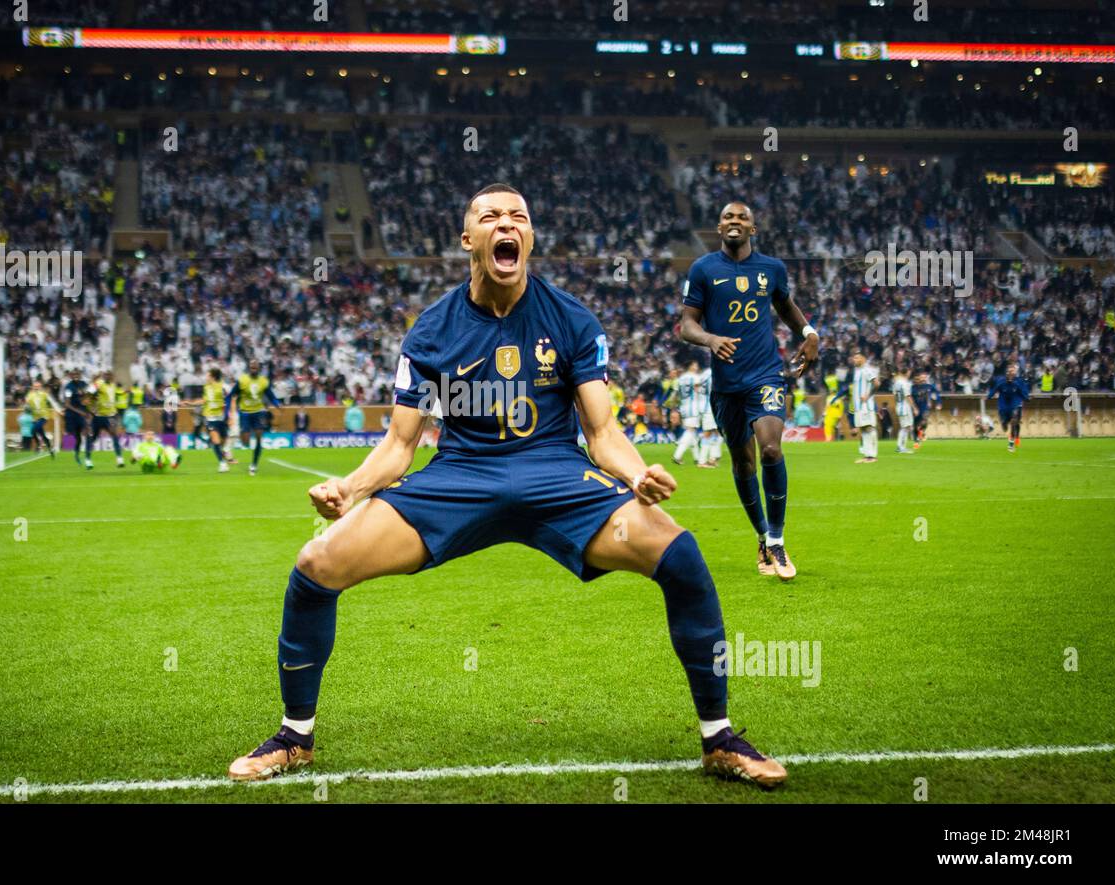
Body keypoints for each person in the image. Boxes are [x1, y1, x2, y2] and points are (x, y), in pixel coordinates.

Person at [228, 183, 787, 789]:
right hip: (458, 478)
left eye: (518, 217)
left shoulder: (571, 317)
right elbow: (399, 444)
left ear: (528, 238)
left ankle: (719, 739)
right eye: (491, 216)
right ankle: (295, 737)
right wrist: (352, 488)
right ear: (469, 239)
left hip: (558, 475)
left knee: (681, 555)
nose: (507, 225)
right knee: (316, 564)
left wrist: (635, 474)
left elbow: (602, 431)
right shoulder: (432, 330)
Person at [676, 201, 819, 582]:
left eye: (741, 217)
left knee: (771, 448)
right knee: (743, 464)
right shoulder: (703, 269)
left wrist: (808, 334)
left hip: (766, 375)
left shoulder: (772, 269)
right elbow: (686, 325)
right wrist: (710, 339)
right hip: (726, 385)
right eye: (727, 217)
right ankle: (760, 534)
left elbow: (786, 307)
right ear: (719, 228)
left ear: (752, 229)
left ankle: (776, 537)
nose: (734, 222)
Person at [230, 359, 278, 475]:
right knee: (245, 442)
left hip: (259, 412)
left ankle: (254, 465)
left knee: (258, 438)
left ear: (258, 368)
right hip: (245, 412)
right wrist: (229, 406)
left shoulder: (263, 381)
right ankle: (243, 439)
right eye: (252, 366)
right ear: (249, 368)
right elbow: (233, 393)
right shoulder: (242, 380)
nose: (253, 368)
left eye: (255, 366)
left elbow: (270, 395)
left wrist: (278, 405)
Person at [183, 368, 231, 472]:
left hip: (222, 418)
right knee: (215, 440)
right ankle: (222, 464)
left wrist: (230, 415)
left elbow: (230, 400)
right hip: (210, 417)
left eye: (208, 375)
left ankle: (224, 453)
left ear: (213, 377)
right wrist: (191, 403)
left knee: (223, 440)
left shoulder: (224, 387)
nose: (206, 377)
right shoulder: (207, 387)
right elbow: (204, 400)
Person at [988, 362, 1030, 452]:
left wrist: (1027, 398)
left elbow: (1021, 392)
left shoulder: (1017, 383)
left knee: (1014, 421)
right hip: (1003, 406)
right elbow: (994, 389)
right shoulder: (1001, 382)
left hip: (1013, 404)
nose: (1011, 374)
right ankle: (1004, 423)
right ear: (1007, 374)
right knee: (1005, 423)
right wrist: (988, 397)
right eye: (1009, 373)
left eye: (1013, 373)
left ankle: (1011, 444)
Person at [90, 371, 126, 468]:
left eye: (109, 375)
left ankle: (119, 459)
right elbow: (91, 392)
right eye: (106, 375)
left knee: (114, 434)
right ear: (104, 376)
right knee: (94, 437)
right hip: (99, 415)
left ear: (112, 377)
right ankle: (87, 458)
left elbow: (118, 394)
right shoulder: (99, 383)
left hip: (111, 415)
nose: (108, 376)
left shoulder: (113, 386)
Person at [61, 369, 94, 469]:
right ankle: (75, 453)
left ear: (80, 375)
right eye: (74, 374)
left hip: (82, 414)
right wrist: (80, 412)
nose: (76, 376)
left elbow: (90, 396)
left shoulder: (84, 384)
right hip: (71, 415)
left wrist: (90, 408)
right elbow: (67, 404)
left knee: (88, 433)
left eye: (77, 374)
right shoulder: (68, 387)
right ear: (71, 376)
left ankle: (88, 459)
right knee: (76, 438)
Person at [851, 353, 880, 464]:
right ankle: (867, 455)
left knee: (869, 428)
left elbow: (877, 383)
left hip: (866, 406)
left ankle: (873, 456)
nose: (854, 359)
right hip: (859, 407)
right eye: (854, 357)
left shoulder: (867, 369)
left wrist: (868, 396)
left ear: (863, 359)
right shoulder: (857, 371)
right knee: (863, 430)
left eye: (857, 357)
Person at [25, 380, 58, 457]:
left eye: (38, 386)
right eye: (35, 386)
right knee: (41, 434)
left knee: (34, 429)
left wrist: (58, 409)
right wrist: (26, 404)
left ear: (40, 387)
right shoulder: (30, 395)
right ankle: (50, 449)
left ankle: (38, 446)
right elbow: (27, 403)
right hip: (35, 417)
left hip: (44, 416)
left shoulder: (44, 394)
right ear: (33, 387)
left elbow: (52, 402)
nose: (36, 388)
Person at [890, 369, 916, 454]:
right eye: (909, 372)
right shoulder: (905, 383)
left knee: (906, 427)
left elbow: (894, 396)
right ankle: (900, 447)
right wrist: (914, 408)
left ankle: (902, 446)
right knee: (905, 427)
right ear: (907, 372)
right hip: (905, 407)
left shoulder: (895, 384)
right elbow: (908, 396)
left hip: (899, 406)